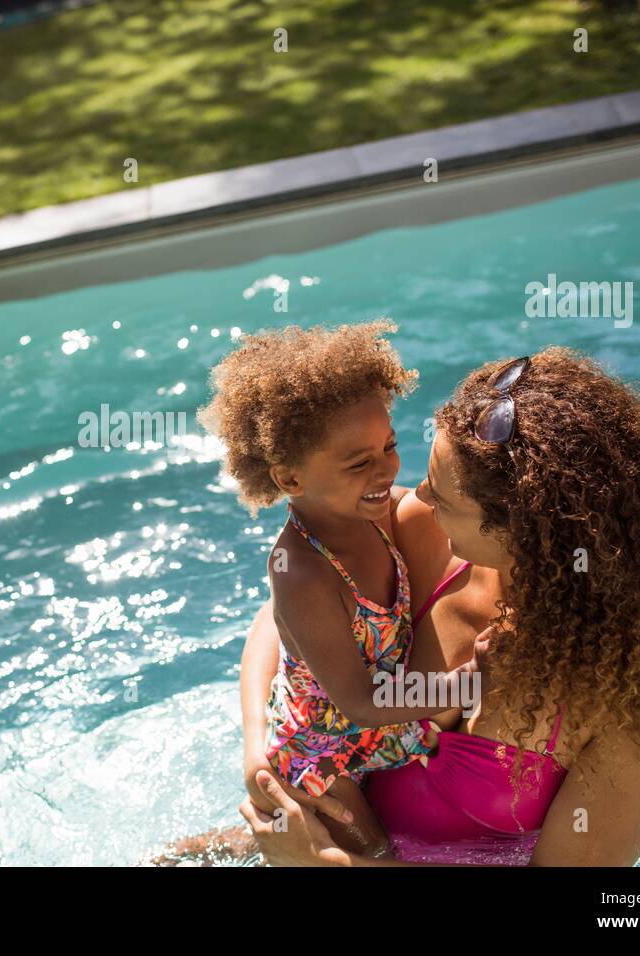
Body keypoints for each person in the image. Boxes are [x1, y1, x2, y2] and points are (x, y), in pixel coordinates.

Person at [236, 349, 640, 865]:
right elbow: (288, 614)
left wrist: (320, 862)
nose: (415, 492)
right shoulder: (424, 531)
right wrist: (260, 750)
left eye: (441, 494)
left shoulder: (635, 695)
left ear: (522, 530)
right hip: (310, 805)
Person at [197, 323, 475, 856]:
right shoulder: (302, 571)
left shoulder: (385, 511)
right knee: (374, 854)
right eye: (358, 462)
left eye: (388, 445)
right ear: (290, 480)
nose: (386, 468)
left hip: (376, 723)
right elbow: (363, 702)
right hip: (322, 752)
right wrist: (473, 684)